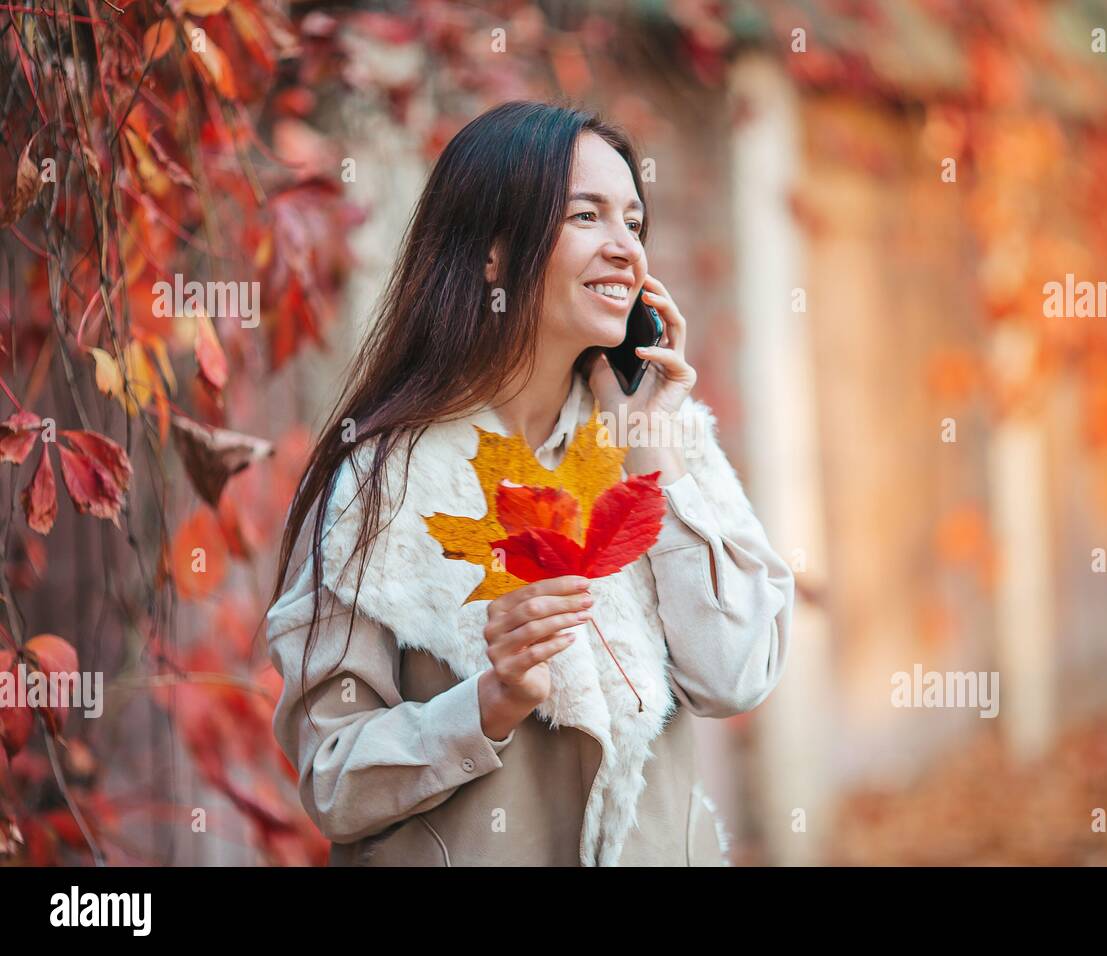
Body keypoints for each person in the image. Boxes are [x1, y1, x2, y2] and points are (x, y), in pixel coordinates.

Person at [263, 100, 794, 866]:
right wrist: (487, 705)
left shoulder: (657, 440)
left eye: (634, 223)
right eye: (588, 216)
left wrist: (654, 450)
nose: (626, 250)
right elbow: (334, 782)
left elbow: (736, 676)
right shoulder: (378, 486)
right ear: (493, 252)